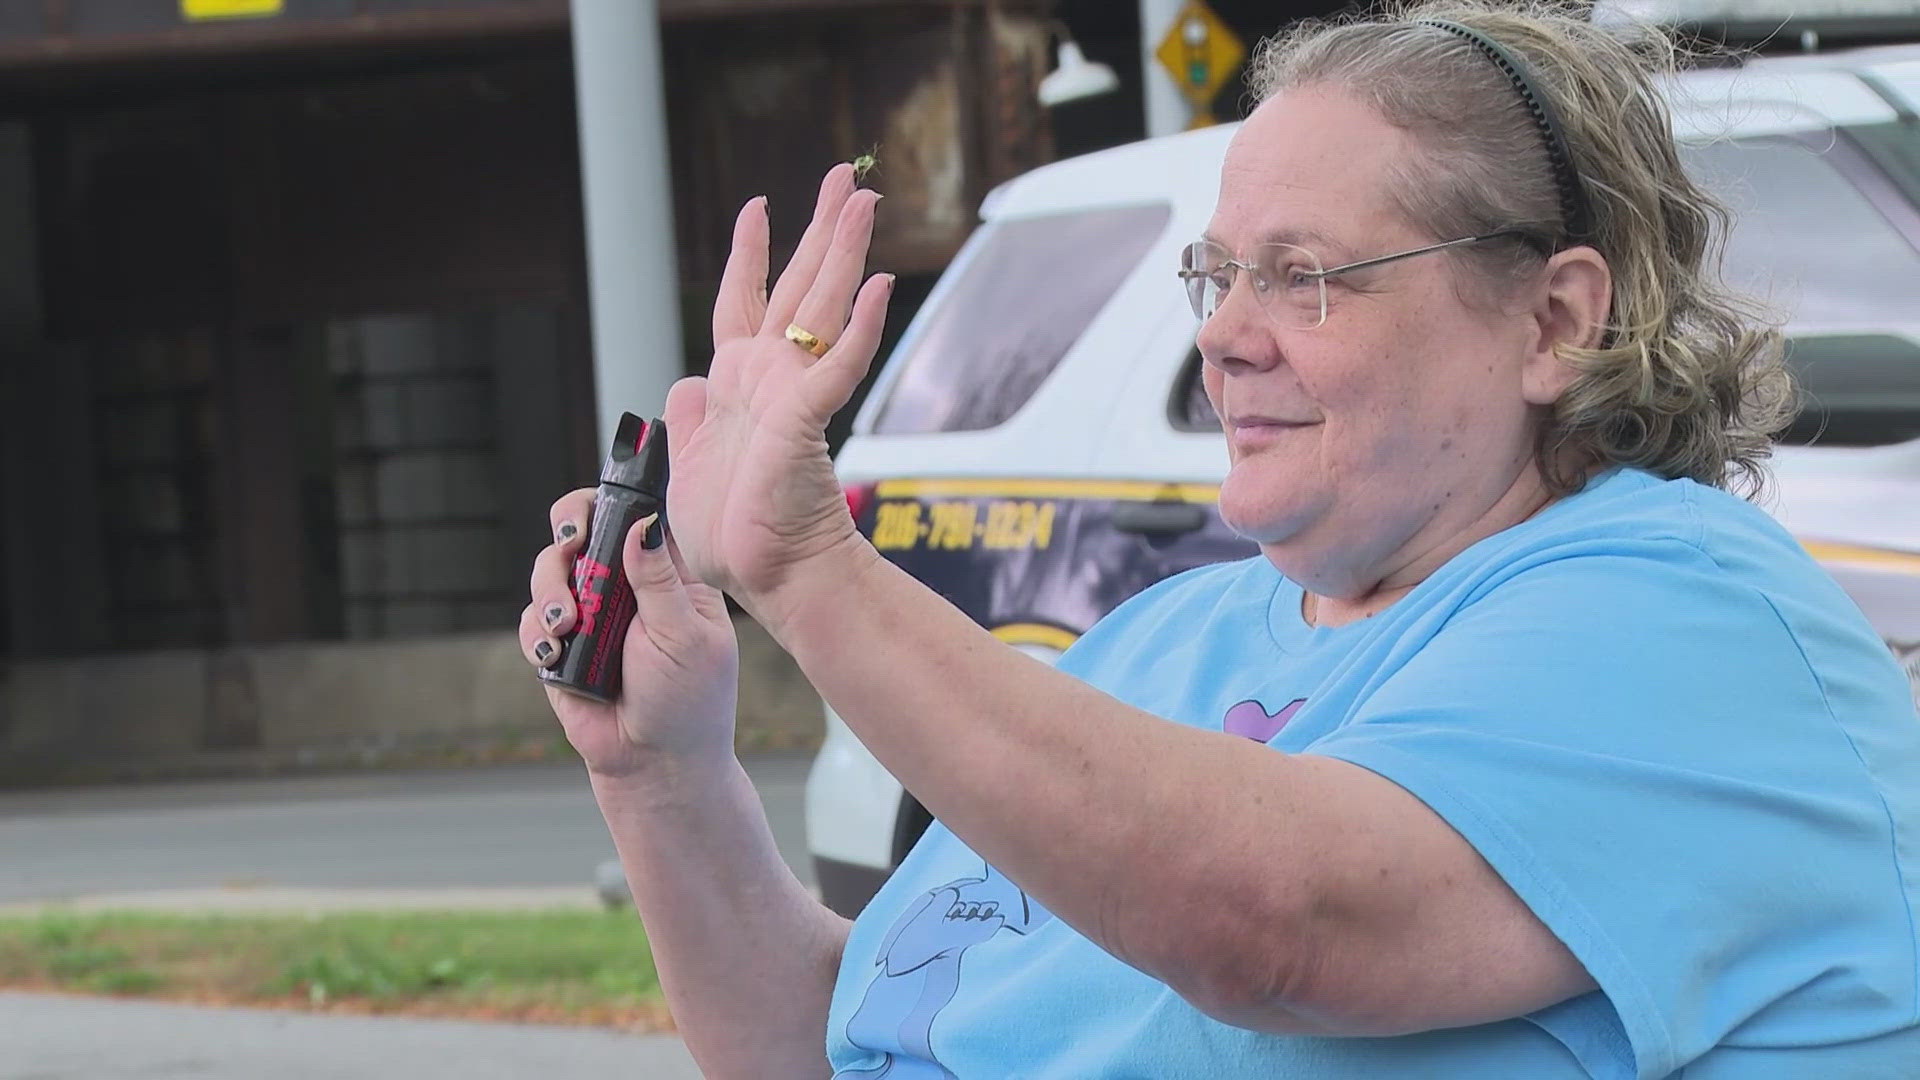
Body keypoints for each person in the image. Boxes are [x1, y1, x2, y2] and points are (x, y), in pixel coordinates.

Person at [520, 2, 1920, 1076]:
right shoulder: (1158, 642)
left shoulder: (1699, 625)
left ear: (1555, 320)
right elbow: (850, 1032)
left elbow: (1282, 931)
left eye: (1303, 278)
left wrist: (808, 568)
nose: (1219, 338)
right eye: (1219, 274)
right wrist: (664, 775)